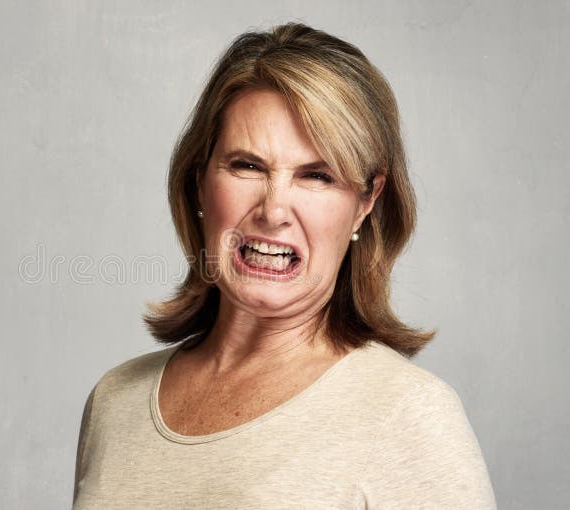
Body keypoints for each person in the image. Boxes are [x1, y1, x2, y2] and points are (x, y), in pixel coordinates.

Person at [72, 22, 496, 509]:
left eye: (317, 175)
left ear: (365, 202)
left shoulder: (408, 415)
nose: (273, 211)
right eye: (247, 166)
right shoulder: (115, 401)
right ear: (199, 182)